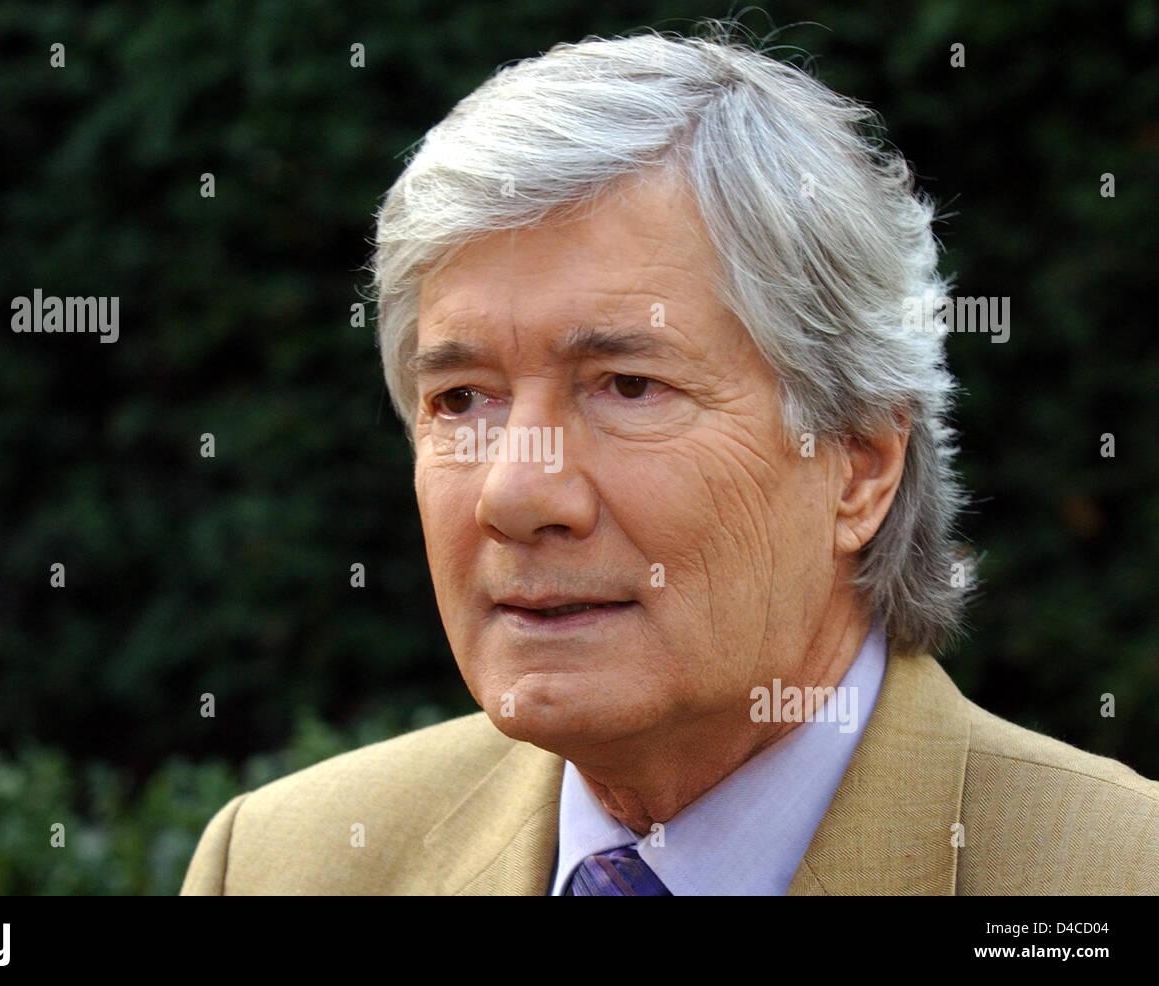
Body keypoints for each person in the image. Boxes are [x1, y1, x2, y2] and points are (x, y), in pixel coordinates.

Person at [182, 27, 1159, 895]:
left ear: (859, 463)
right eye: (462, 398)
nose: (515, 493)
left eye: (627, 385)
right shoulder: (280, 863)